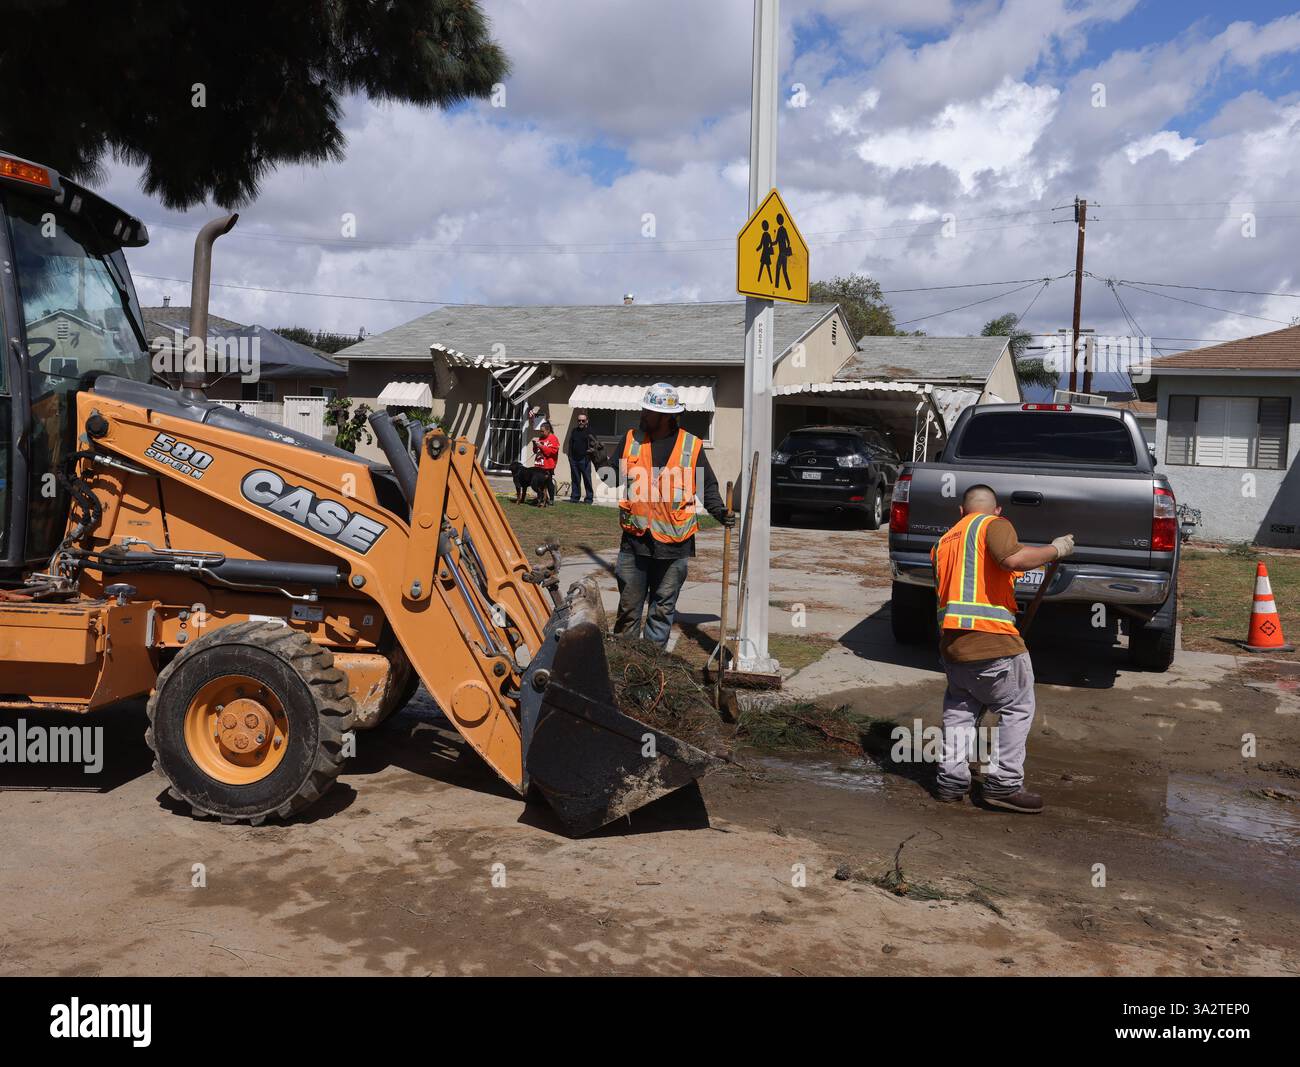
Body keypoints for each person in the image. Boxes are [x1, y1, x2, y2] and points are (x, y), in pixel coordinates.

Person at [932, 484, 1074, 814]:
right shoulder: (993, 525)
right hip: (993, 642)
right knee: (1017, 707)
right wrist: (1055, 550)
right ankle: (1004, 785)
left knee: (960, 712)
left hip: (953, 646)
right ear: (997, 511)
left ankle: (950, 782)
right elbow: (1013, 559)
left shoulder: (943, 543)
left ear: (960, 512)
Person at [615, 383, 733, 647]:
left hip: (674, 546)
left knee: (662, 610)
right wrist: (598, 459)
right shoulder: (631, 439)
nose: (643, 415)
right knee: (628, 610)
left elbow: (706, 485)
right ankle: (621, 665)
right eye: (644, 409)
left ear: (666, 416)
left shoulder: (690, 446)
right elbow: (610, 476)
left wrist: (719, 511)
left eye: (649, 411)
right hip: (634, 543)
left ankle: (652, 668)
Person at [566, 411, 596, 504]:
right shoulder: (574, 431)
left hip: (585, 460)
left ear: (587, 421)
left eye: (583, 421)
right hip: (574, 459)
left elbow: (594, 444)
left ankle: (589, 499)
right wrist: (570, 457)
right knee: (575, 479)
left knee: (587, 479)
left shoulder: (590, 431)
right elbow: (570, 444)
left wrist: (590, 454)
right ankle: (575, 497)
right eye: (579, 420)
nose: (581, 422)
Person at [530, 420, 560, 507]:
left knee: (548, 482)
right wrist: (535, 446)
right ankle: (541, 498)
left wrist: (542, 446)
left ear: (548, 430)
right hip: (539, 464)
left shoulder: (553, 439)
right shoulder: (541, 438)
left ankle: (551, 499)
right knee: (537, 483)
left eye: (542, 431)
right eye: (540, 431)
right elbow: (536, 451)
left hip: (548, 465)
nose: (541, 432)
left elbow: (552, 452)